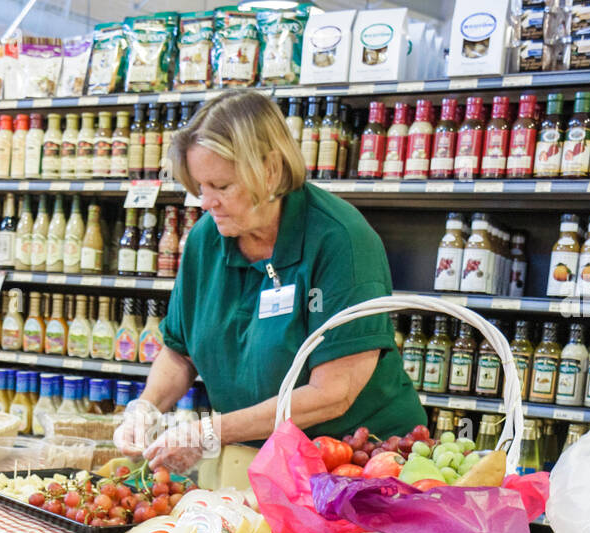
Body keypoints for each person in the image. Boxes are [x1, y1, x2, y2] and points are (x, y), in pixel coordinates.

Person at [114, 89, 425, 475]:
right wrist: (145, 409)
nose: (205, 203)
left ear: (270, 170)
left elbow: (332, 394)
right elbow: (180, 350)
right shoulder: (205, 241)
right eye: (199, 187)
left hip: (357, 464)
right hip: (259, 457)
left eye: (222, 186)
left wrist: (212, 431)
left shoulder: (340, 240)